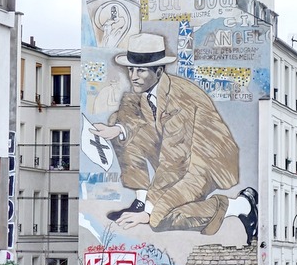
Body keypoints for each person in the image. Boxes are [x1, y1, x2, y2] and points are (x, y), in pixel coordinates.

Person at [91, 33, 258, 244]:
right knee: (119, 123)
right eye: (131, 69)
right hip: (176, 155)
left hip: (206, 160)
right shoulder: (139, 91)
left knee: (159, 219)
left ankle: (241, 205)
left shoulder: (180, 99)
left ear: (158, 71)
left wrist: (150, 212)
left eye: (140, 70)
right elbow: (127, 116)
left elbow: (175, 162)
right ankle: (140, 201)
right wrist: (117, 130)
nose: (133, 76)